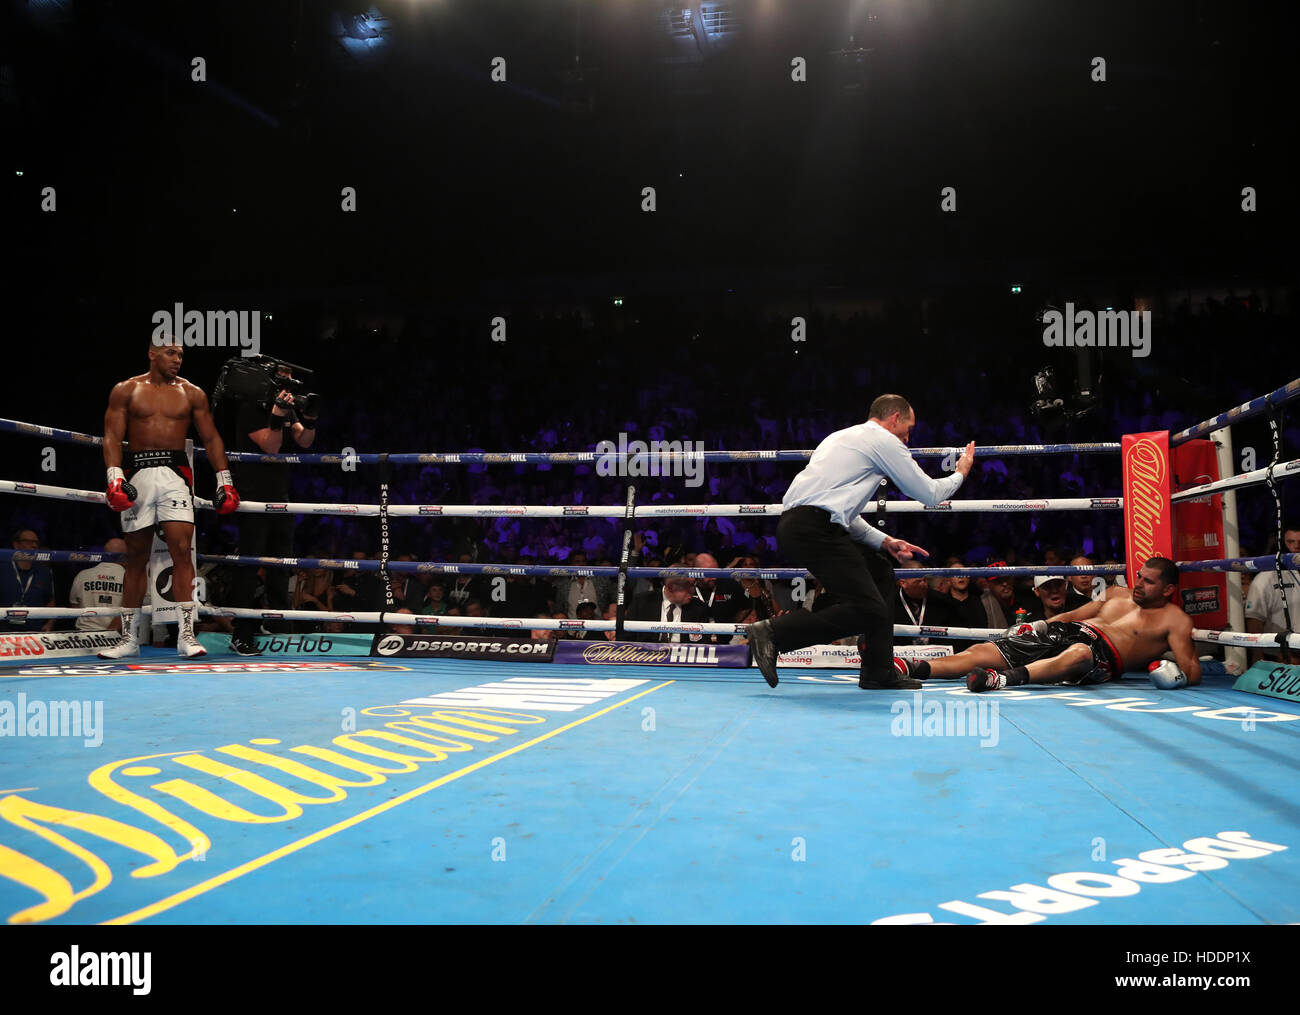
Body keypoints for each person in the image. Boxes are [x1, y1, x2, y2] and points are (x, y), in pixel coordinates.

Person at [746, 394, 975, 690]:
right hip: (816, 529)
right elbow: (930, 494)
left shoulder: (840, 438)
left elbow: (838, 509)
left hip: (800, 525)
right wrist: (961, 472)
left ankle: (878, 671)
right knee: (869, 609)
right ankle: (774, 632)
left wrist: (884, 541)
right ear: (894, 418)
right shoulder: (884, 440)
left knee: (880, 571)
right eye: (908, 428)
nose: (908, 438)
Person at [100, 336, 240, 658]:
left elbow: (211, 437)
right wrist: (114, 477)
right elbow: (112, 436)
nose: (177, 359)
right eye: (170, 353)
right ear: (152, 354)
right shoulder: (126, 389)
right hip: (137, 474)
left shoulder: (192, 393)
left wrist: (225, 481)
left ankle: (187, 635)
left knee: (181, 551)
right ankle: (129, 639)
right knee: (135, 558)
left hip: (176, 474)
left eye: (180, 354)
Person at [894, 557, 1202, 691]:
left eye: (1148, 582)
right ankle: (912, 668)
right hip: (1067, 632)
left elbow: (1191, 669)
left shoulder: (1175, 620)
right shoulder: (1117, 593)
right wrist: (1041, 625)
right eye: (1139, 577)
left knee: (1079, 653)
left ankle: (1001, 680)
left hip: (1101, 655)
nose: (1139, 585)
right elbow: (1074, 616)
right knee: (982, 650)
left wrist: (1176, 676)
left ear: (1168, 589)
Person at [226, 359, 318, 655]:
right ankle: (241, 632)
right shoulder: (251, 407)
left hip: (280, 497)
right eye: (282, 374)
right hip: (253, 498)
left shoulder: (287, 407)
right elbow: (271, 446)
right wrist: (277, 416)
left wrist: (311, 418)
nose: (288, 380)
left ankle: (278, 624)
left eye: (291, 375)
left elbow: (304, 440)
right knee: (249, 567)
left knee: (282, 564)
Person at [1244, 523, 1300, 662]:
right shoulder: (1267, 577)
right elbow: (1255, 619)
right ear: (1281, 543)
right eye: (1291, 542)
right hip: (1279, 655)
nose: (1296, 547)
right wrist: (1258, 658)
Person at [67, 537, 128, 632]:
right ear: (125, 556)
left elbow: (75, 605)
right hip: (115, 634)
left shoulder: (83, 575)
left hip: (84, 633)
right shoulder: (129, 578)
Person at [628, 576, 710, 643]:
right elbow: (627, 637)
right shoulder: (643, 601)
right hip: (647, 657)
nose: (693, 590)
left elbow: (703, 643)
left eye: (693, 585)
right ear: (671, 587)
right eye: (687, 586)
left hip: (682, 659)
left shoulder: (699, 607)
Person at [2, 529, 55, 632]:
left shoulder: (44, 572)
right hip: (4, 632)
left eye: (36, 542)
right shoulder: (2, 569)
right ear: (16, 545)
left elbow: (50, 600)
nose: (34, 545)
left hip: (34, 632)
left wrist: (50, 623)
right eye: (29, 542)